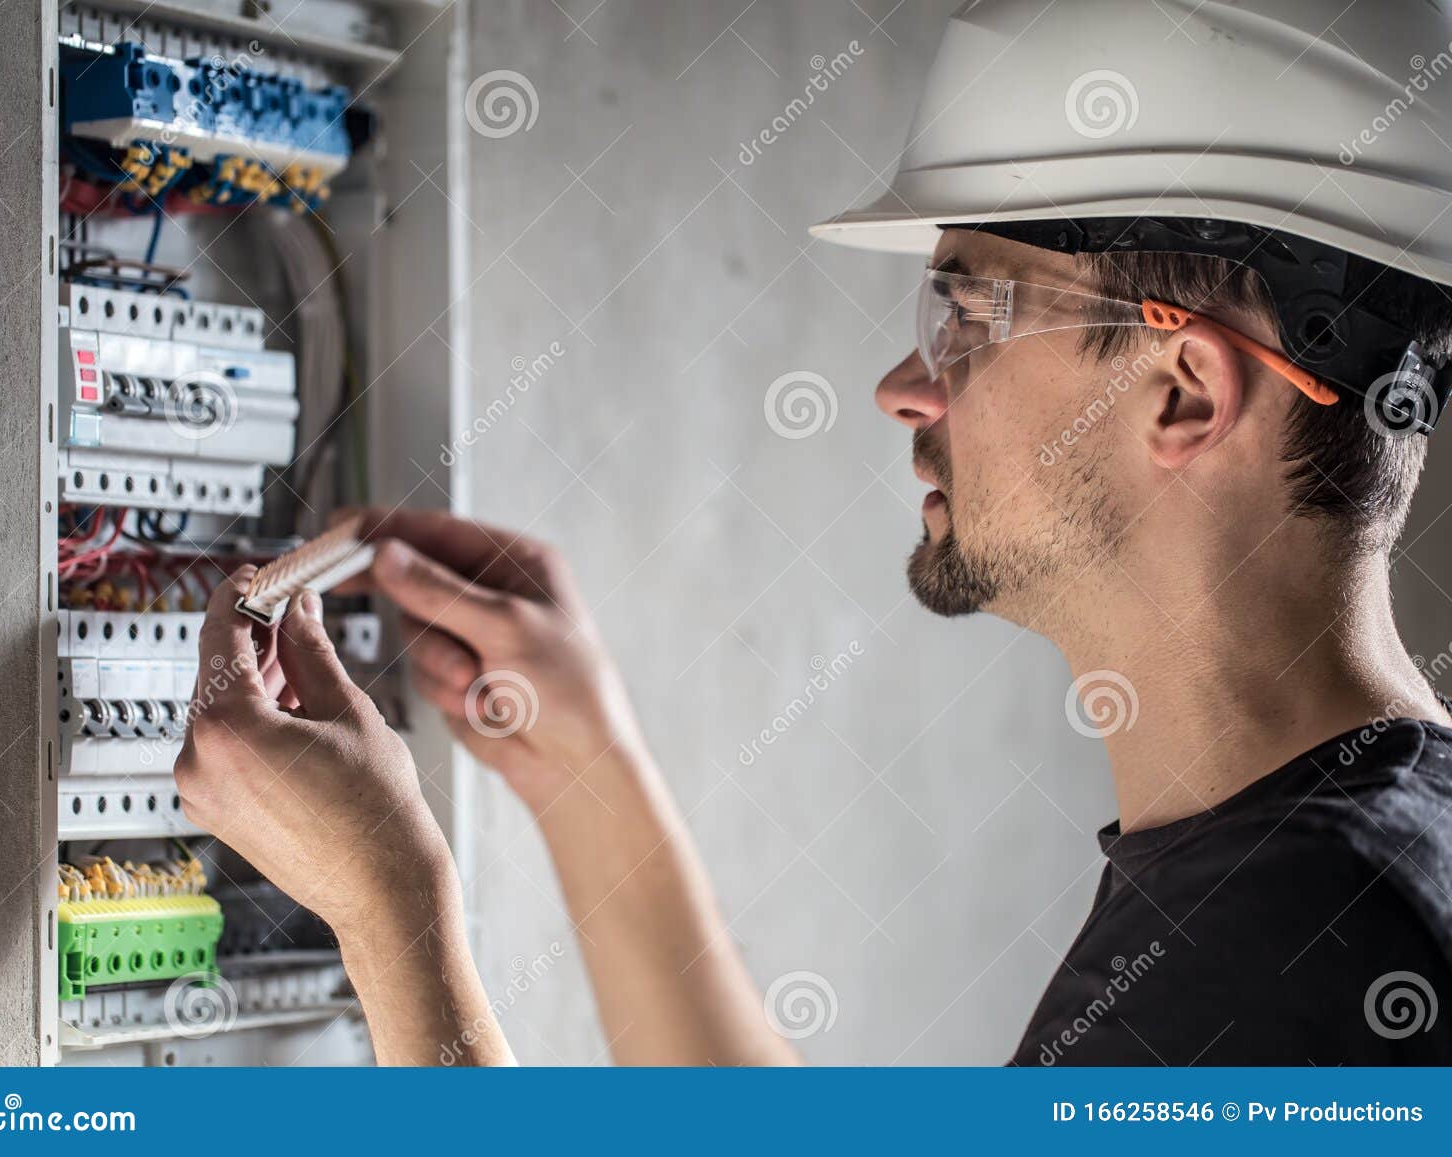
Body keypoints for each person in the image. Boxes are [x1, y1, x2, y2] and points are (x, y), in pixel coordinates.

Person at [175, 0, 1452, 1064]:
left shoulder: (1297, 950)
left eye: (968, 309)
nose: (908, 381)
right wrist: (584, 775)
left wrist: (390, 916)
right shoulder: (1341, 872)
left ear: (1181, 393)